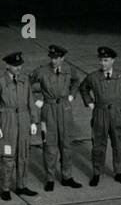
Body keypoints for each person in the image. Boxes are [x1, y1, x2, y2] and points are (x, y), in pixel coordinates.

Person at [79, 45, 121, 185]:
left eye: (106, 60)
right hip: (100, 113)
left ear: (113, 61)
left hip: (117, 113)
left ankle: (119, 172)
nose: (102, 63)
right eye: (101, 60)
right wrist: (90, 103)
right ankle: (96, 173)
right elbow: (83, 88)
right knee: (98, 144)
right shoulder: (93, 77)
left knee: (117, 143)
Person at [31, 44, 83, 191]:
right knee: (50, 146)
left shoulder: (68, 69)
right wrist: (36, 100)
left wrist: (72, 95)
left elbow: (76, 81)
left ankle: (67, 177)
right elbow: (26, 86)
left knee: (66, 145)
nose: (53, 61)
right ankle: (50, 178)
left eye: (57, 58)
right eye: (52, 58)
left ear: (62, 58)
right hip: (48, 110)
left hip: (65, 109)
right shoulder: (41, 71)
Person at [0, 52, 39, 200]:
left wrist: (33, 121)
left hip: (23, 119)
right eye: (14, 66)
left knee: (23, 154)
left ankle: (21, 186)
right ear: (7, 66)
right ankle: (5, 188)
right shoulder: (0, 82)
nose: (18, 68)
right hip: (7, 120)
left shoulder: (25, 80)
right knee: (8, 156)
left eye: (19, 65)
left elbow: (31, 100)